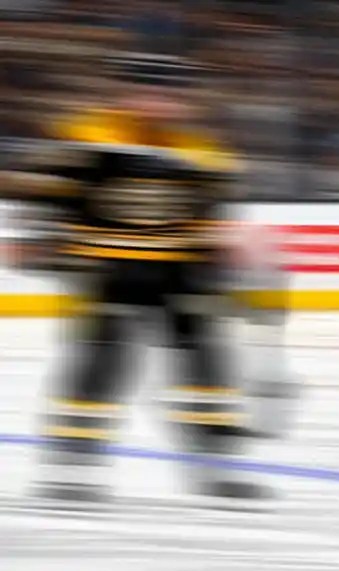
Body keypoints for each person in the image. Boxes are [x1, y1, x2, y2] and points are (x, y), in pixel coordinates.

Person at [3, 52, 283, 504]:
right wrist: (36, 237)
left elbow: (210, 218)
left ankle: (216, 465)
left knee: (207, 366)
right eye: (149, 91)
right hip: (104, 270)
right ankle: (74, 465)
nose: (161, 102)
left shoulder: (203, 152)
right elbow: (43, 193)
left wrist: (229, 259)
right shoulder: (86, 138)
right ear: (124, 93)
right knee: (102, 364)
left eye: (172, 93)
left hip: (180, 274)